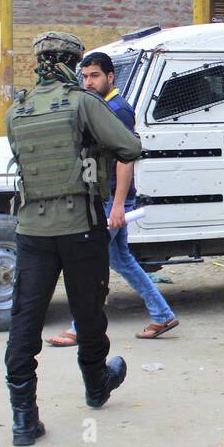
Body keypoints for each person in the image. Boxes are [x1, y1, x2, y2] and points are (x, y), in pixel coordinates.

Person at [3, 32, 142, 447]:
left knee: (25, 322)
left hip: (31, 230)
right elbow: (129, 146)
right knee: (88, 311)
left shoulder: (18, 108)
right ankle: (96, 384)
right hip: (80, 227)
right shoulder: (83, 103)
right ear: (72, 62)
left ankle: (24, 419)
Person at [47, 52, 178, 348]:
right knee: (121, 260)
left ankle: (78, 327)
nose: (88, 82)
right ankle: (163, 314)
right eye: (84, 76)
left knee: (90, 262)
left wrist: (119, 205)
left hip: (112, 201)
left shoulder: (117, 109)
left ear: (110, 77)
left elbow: (125, 158)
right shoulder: (102, 105)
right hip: (110, 198)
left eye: (94, 76)